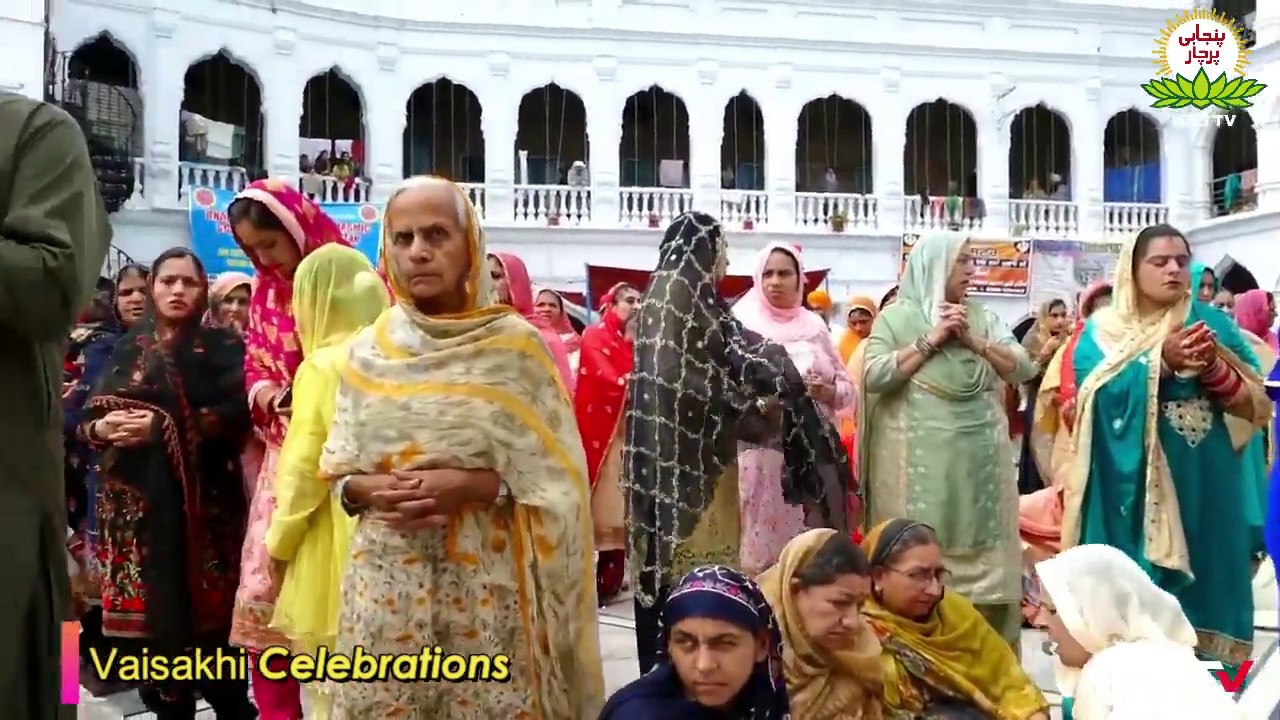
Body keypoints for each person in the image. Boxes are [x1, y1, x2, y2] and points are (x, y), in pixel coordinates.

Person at [320, 175, 603, 717]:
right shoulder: (369, 350)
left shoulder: (515, 350)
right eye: (402, 239)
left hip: (489, 597)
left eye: (436, 234)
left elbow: (559, 479)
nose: (418, 252)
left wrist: (473, 485)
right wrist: (370, 489)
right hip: (385, 592)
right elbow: (339, 474)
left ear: (469, 242)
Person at [624, 211, 850, 673]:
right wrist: (749, 405)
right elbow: (683, 383)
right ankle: (689, 677)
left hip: (695, 463)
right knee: (691, 580)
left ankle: (700, 672)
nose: (725, 261)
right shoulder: (676, 298)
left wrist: (765, 385)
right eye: (721, 250)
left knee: (699, 575)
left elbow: (729, 358)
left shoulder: (689, 300)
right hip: (687, 475)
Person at [1064, 224, 1270, 670]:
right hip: (1135, 491)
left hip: (1211, 479)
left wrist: (1215, 370)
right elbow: (1092, 396)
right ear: (1132, 270)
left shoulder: (1213, 324)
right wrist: (1161, 363)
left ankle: (1217, 696)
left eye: (1181, 259)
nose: (1174, 269)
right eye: (1159, 261)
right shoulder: (1103, 332)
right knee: (1147, 596)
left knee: (1212, 580)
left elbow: (1257, 403)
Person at [83, 248, 254, 717]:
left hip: (205, 522)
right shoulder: (128, 347)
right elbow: (92, 409)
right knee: (157, 670)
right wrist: (100, 429)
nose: (176, 291)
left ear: (203, 292)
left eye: (188, 282)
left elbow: (235, 416)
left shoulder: (222, 348)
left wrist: (163, 428)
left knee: (220, 663)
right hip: (137, 525)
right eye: (167, 282)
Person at [858, 233, 1038, 646]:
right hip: (919, 480)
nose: (971, 271)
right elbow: (873, 376)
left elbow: (1023, 368)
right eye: (963, 263)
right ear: (936, 265)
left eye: (972, 262)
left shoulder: (983, 317)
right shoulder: (897, 319)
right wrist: (932, 339)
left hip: (980, 478)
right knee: (921, 559)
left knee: (987, 579)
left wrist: (972, 340)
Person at [0, 90, 112, 718]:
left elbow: (47, 283)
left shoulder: (33, 132)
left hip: (76, 513)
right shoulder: (111, 353)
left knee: (63, 637)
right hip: (89, 503)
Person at [228, 177, 352, 718]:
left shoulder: (345, 284)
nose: (264, 259)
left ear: (298, 229)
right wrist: (268, 393)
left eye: (270, 244)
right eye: (252, 250)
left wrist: (313, 390)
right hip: (283, 462)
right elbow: (255, 363)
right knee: (264, 597)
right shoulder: (265, 295)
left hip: (341, 467)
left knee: (334, 607)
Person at [265, 244, 390, 717]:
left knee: (330, 691)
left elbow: (304, 469)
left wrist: (278, 544)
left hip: (332, 540)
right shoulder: (396, 355)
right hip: (393, 535)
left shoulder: (320, 366)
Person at [733, 242, 854, 575]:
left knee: (810, 549)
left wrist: (825, 391)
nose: (775, 281)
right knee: (762, 548)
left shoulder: (815, 328)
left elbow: (847, 390)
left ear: (800, 278)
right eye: (768, 273)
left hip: (813, 454)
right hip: (761, 456)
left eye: (785, 273)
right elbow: (723, 393)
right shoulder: (740, 326)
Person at [862, 519, 1049, 719]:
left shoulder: (955, 613)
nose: (934, 590)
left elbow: (1011, 685)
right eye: (918, 575)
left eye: (938, 575)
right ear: (878, 576)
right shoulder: (856, 634)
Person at [1037, 544, 1243, 719]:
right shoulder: (1169, 657)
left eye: (1055, 610)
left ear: (1097, 611)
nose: (1042, 622)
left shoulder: (1109, 671)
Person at [1020, 281, 1112, 626]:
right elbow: (1047, 394)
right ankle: (1071, 610)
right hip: (1076, 443)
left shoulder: (1138, 343)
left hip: (1125, 451)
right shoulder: (1074, 346)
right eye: (1098, 307)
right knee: (1073, 519)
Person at [599, 565, 791, 720]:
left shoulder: (765, 701)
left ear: (762, 645)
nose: (704, 665)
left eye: (725, 643)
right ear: (668, 645)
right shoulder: (638, 715)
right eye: (685, 643)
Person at [757, 529, 882, 720]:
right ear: (793, 590)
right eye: (839, 603)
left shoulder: (860, 660)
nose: (853, 623)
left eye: (860, 606)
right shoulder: (748, 656)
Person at [574, 281, 641, 604]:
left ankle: (615, 579)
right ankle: (603, 581)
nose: (636, 306)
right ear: (611, 305)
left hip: (633, 435)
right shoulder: (595, 336)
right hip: (606, 433)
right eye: (629, 300)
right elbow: (605, 380)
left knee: (626, 509)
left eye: (640, 300)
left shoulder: (634, 342)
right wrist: (637, 381)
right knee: (608, 509)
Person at [488, 252, 575, 391]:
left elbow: (560, 400)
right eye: (482, 277)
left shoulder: (542, 338)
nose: (487, 283)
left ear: (516, 283)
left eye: (496, 276)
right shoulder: (478, 331)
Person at [1018, 298, 1071, 495]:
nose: (1059, 321)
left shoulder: (1070, 340)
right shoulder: (1032, 340)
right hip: (1038, 400)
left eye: (1063, 315)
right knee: (1037, 445)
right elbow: (1025, 375)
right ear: (1044, 317)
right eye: (1054, 316)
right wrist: (1045, 354)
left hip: (1060, 402)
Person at [535, 288, 583, 373]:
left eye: (552, 305)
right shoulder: (524, 335)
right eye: (540, 305)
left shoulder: (571, 341)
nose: (547, 309)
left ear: (561, 311)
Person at [838, 296, 877, 366]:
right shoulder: (843, 343)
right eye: (853, 323)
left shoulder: (885, 338)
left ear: (874, 318)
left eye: (863, 322)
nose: (858, 328)